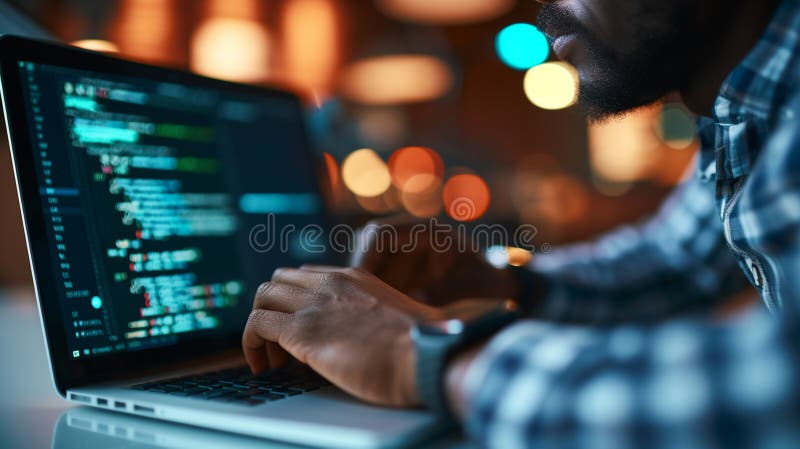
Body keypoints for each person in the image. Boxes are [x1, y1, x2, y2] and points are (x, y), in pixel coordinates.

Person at [242, 0, 800, 446]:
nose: (543, 10)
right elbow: (678, 265)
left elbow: (773, 386)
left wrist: (426, 355)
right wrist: (504, 282)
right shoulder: (747, 112)